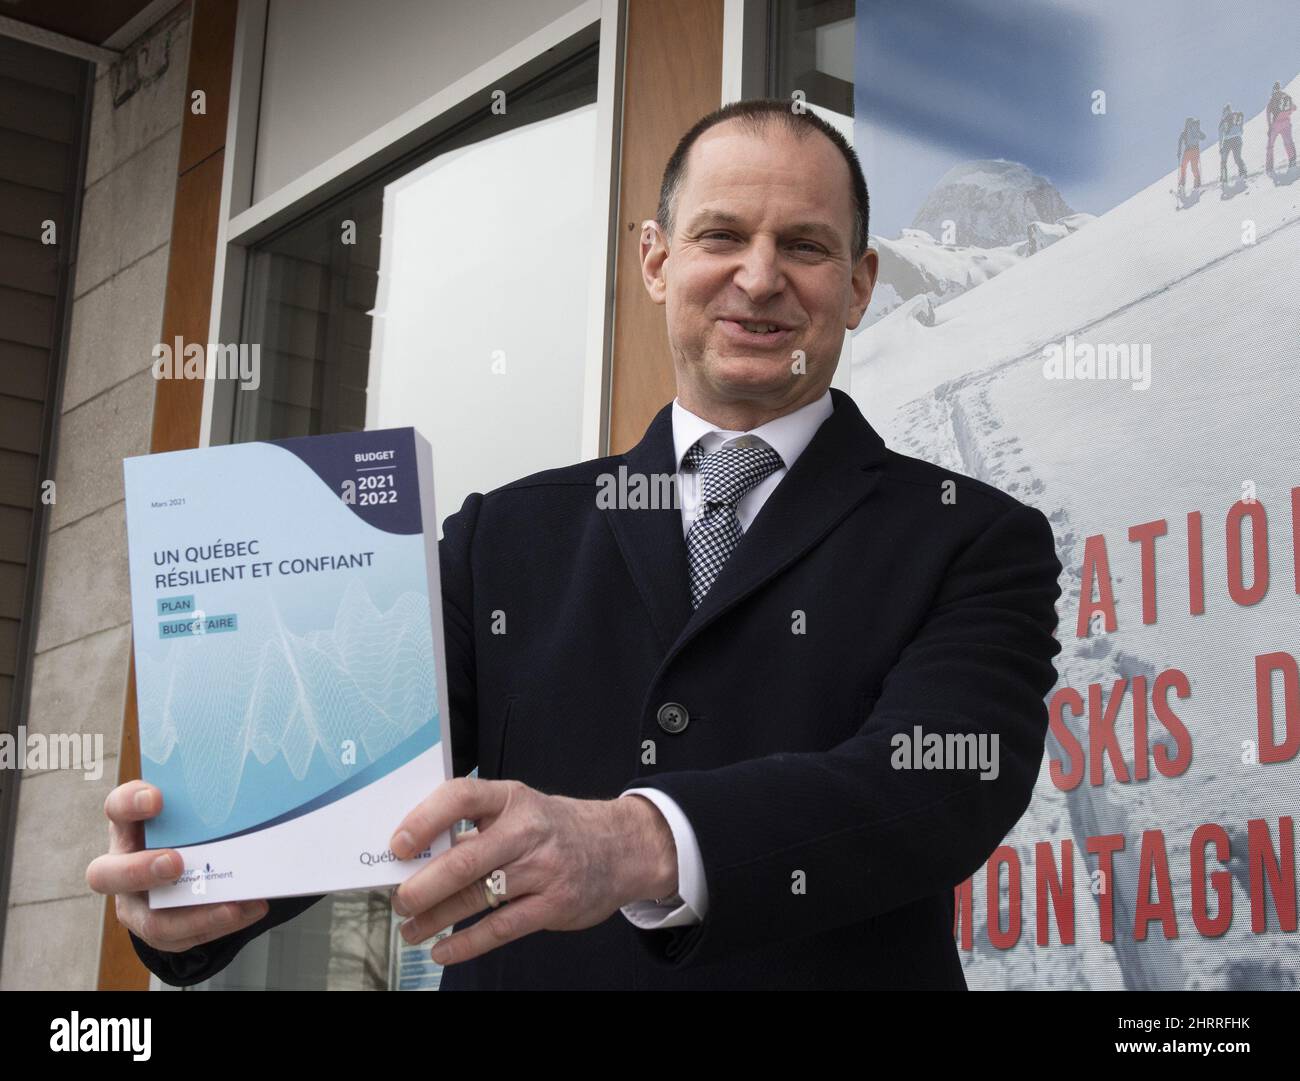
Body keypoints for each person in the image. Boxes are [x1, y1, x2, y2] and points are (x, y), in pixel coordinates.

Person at [86, 99, 1064, 990]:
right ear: (654, 259)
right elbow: (359, 774)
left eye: (802, 247)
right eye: (720, 235)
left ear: (856, 287)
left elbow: (939, 780)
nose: (758, 278)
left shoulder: (973, 535)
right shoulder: (496, 538)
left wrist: (639, 841)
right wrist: (203, 895)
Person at [1265, 80, 1296, 172]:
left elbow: (1268, 115)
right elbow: (1294, 108)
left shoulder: (1272, 100)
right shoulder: (1285, 97)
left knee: (1270, 145)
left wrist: (1270, 127)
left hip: (1276, 125)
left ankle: (1269, 167)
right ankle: (1292, 160)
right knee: (1288, 142)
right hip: (1286, 123)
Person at [1218, 104, 1247, 181]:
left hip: (1227, 141)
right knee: (1237, 158)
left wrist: (1220, 146)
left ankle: (1223, 176)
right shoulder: (1236, 116)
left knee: (1224, 160)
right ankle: (1243, 171)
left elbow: (1220, 134)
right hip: (1237, 139)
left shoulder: (1223, 119)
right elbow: (1241, 129)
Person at [1177, 116, 1205, 192]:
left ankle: (1182, 184)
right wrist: (1198, 132)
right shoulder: (1195, 129)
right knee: (1194, 167)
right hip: (1195, 150)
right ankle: (1197, 182)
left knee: (1183, 167)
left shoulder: (1184, 132)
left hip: (1187, 151)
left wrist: (1179, 152)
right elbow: (1203, 137)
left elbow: (1180, 141)